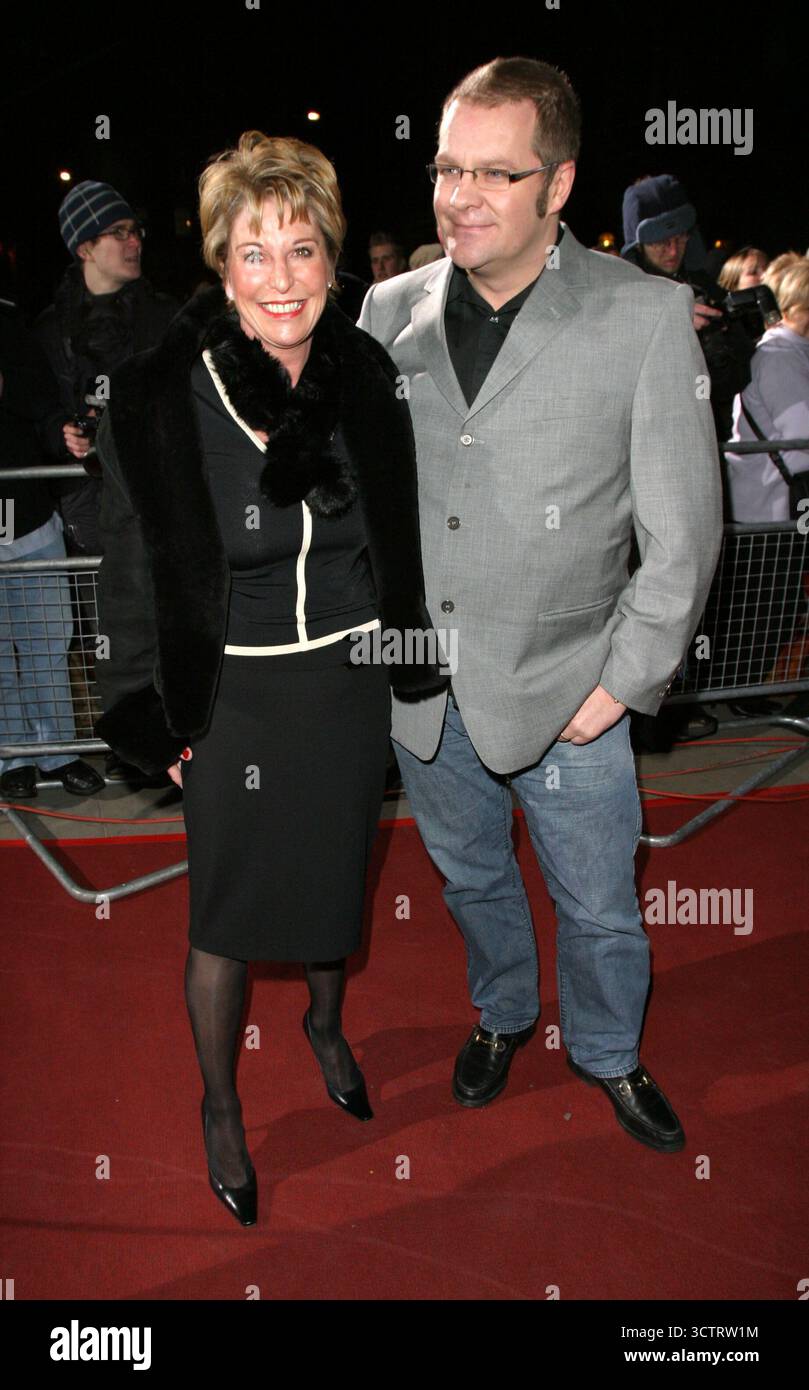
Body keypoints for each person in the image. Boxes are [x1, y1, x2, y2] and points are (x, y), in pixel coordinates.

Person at [359, 56, 722, 1153]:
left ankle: (607, 1050)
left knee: (599, 905)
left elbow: (683, 531)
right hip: (426, 694)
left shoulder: (641, 315)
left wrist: (621, 685)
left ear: (557, 184)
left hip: (573, 690)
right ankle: (504, 1011)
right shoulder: (386, 309)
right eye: (445, 169)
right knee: (470, 878)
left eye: (493, 173)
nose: (457, 197)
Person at [91, 131, 445, 1226]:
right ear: (222, 265)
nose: (280, 278)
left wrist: (412, 661)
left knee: (333, 889)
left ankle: (326, 1029)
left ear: (332, 259)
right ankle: (219, 1105)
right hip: (230, 698)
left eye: (302, 249)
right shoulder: (162, 395)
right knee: (226, 916)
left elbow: (403, 540)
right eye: (254, 253)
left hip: (346, 685)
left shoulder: (366, 375)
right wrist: (145, 711)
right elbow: (129, 566)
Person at [34, 180, 179, 783]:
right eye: (118, 233)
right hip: (87, 505)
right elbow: (37, 409)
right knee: (104, 627)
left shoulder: (165, 316)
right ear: (85, 248)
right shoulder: (49, 329)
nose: (134, 241)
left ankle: (175, 740)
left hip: (157, 495)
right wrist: (62, 432)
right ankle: (127, 741)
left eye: (135, 230)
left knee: (164, 616)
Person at [0, 306, 103, 798]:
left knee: (48, 639)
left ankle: (58, 751)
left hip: (29, 513)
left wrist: (63, 432)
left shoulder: (10, 323)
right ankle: (10, 757)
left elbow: (44, 406)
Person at [621, 173, 753, 442]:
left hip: (710, 436)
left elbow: (739, 377)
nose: (673, 251)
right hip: (649, 440)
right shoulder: (620, 296)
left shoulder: (705, 288)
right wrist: (669, 324)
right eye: (660, 242)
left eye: (680, 238)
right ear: (639, 245)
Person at [725, 260, 809, 521]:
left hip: (780, 504)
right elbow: (802, 431)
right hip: (773, 510)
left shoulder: (793, 350)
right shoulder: (778, 356)